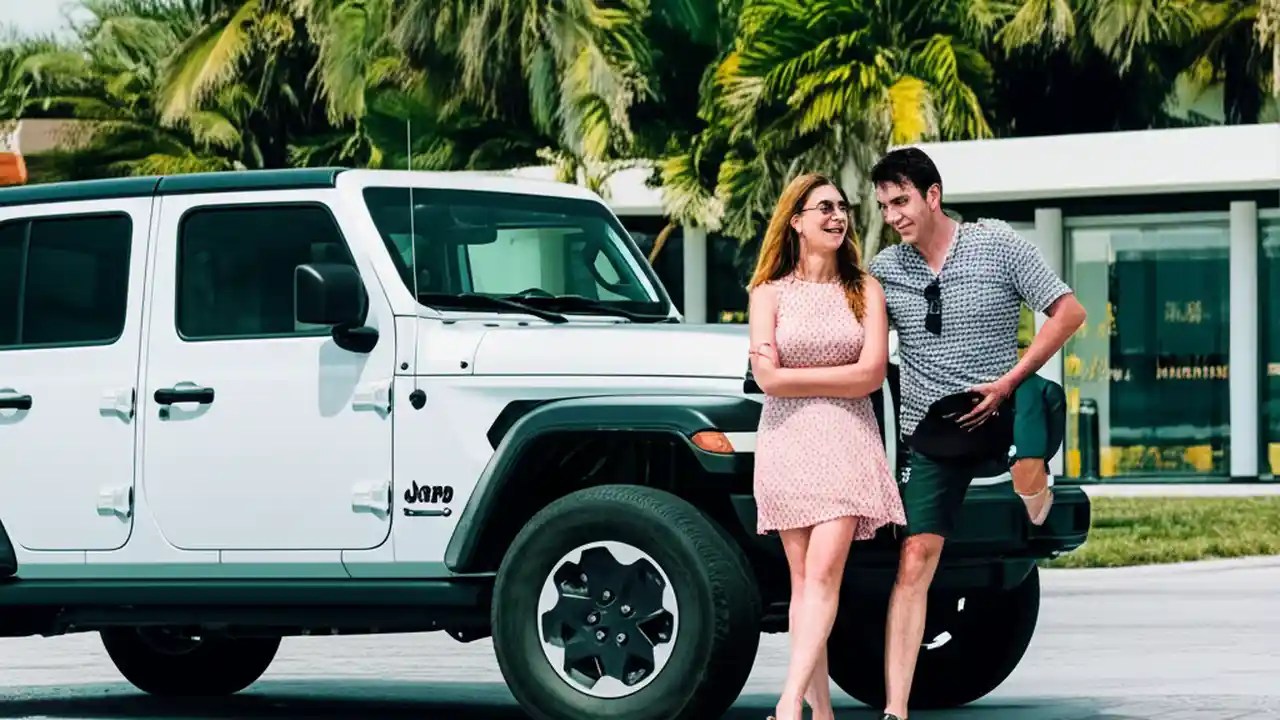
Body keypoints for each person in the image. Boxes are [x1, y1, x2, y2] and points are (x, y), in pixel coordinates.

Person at [865, 147, 1087, 720]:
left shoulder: (998, 244)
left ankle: (1033, 487)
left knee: (1039, 392)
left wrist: (1009, 379)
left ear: (932, 195)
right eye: (885, 205)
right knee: (914, 558)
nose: (893, 215)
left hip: (1004, 406)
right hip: (932, 429)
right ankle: (895, 708)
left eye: (902, 201)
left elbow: (1068, 312)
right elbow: (852, 335)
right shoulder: (887, 270)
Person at [747, 172, 907, 720]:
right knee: (801, 582)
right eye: (824, 208)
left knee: (822, 574)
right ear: (796, 222)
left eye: (841, 207)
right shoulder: (767, 294)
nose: (837, 216)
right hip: (786, 446)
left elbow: (870, 376)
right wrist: (813, 376)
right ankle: (821, 712)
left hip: (847, 443)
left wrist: (794, 375)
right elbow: (767, 382)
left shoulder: (865, 291)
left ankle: (789, 702)